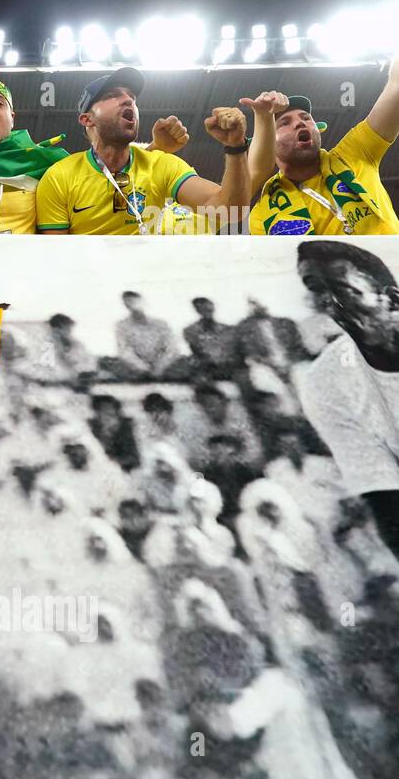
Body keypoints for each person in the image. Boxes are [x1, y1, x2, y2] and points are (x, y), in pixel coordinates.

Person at [0, 71, 192, 234]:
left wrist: (157, 151)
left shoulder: (47, 166)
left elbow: (105, 179)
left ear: (11, 118)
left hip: (24, 295)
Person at [37, 67, 250, 234]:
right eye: (112, 95)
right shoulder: (59, 176)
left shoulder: (161, 164)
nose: (128, 99)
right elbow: (57, 257)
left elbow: (231, 209)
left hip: (145, 285)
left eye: (132, 97)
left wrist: (235, 146)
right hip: (88, 284)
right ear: (87, 119)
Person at [296, 239, 399, 560]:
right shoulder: (326, 381)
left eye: (345, 291)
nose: (332, 305)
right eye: (318, 292)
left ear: (393, 299)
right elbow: (387, 504)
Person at [245, 27, 399, 235]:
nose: (300, 123)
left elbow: (396, 87)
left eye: (306, 118)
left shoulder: (353, 154)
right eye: (284, 123)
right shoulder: (263, 214)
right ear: (267, 145)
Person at [179, 384, 262, 471]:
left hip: (242, 467)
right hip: (213, 470)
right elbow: (197, 456)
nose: (209, 409)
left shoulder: (240, 419)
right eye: (203, 405)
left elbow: (255, 450)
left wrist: (236, 460)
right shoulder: (196, 425)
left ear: (224, 402)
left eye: (212, 403)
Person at [110, 291, 180, 380]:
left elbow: (171, 349)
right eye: (127, 302)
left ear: (143, 302)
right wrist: (144, 369)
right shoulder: (122, 326)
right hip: (137, 371)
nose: (132, 305)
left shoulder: (161, 324)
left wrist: (159, 368)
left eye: (134, 301)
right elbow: (124, 351)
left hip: (165, 369)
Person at [182, 297, 241, 380]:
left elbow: (233, 348)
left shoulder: (228, 329)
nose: (206, 312)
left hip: (228, 365)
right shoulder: (191, 330)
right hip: (207, 367)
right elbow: (196, 350)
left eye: (209, 309)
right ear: (197, 310)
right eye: (202, 309)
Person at [88, 393, 141, 473]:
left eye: (110, 414)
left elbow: (133, 459)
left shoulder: (127, 429)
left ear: (117, 414)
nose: (105, 417)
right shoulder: (92, 428)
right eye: (101, 412)